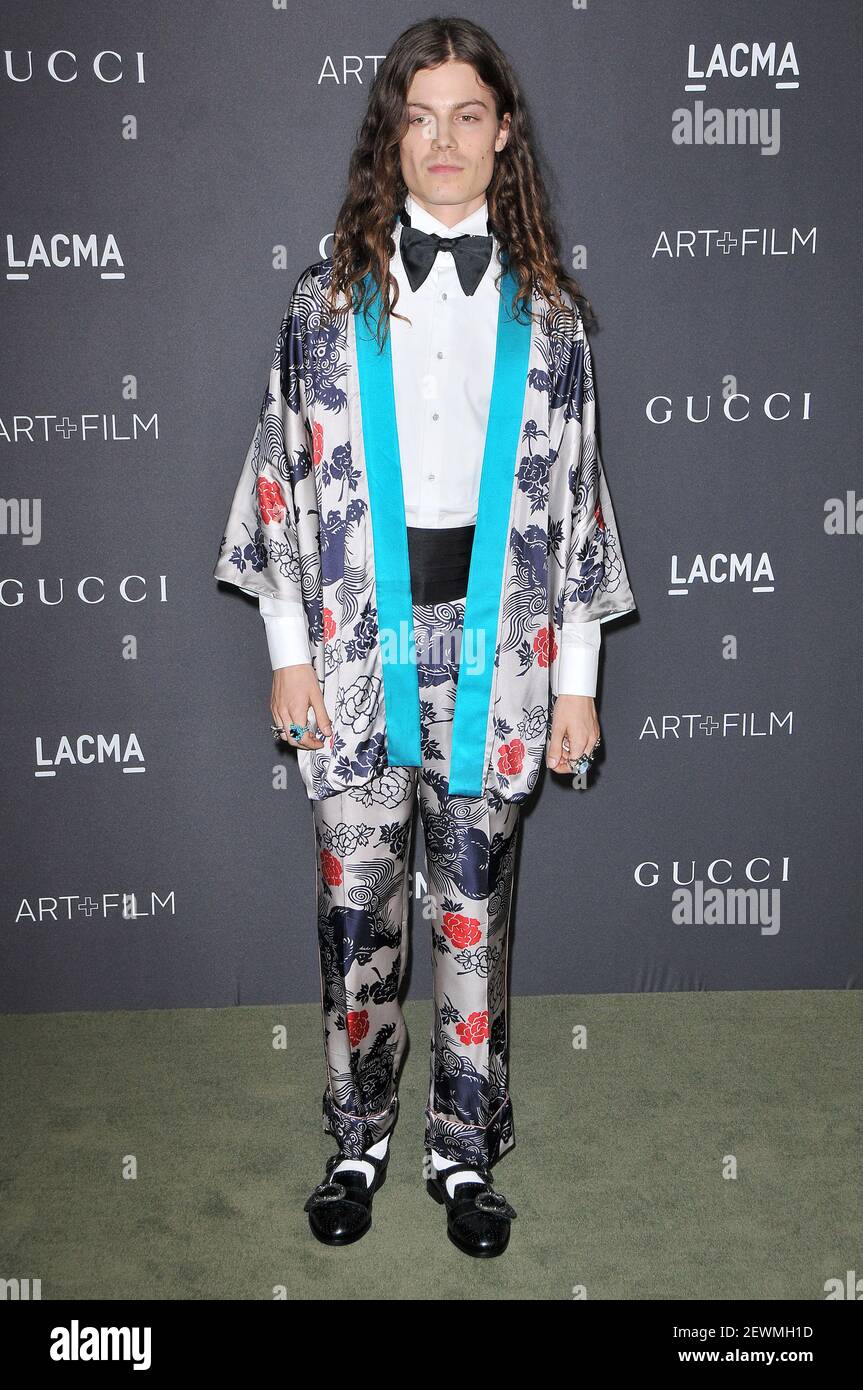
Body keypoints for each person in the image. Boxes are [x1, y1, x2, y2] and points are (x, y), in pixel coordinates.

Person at [213, 15, 636, 1258]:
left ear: (501, 136)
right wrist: (287, 647)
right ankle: (356, 1137)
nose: (442, 140)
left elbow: (575, 496)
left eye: (467, 116)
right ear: (387, 136)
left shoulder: (549, 318)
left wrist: (576, 679)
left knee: (471, 904)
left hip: (500, 650)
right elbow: (279, 479)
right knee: (356, 900)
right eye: (418, 115)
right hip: (349, 646)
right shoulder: (322, 303)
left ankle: (463, 1152)